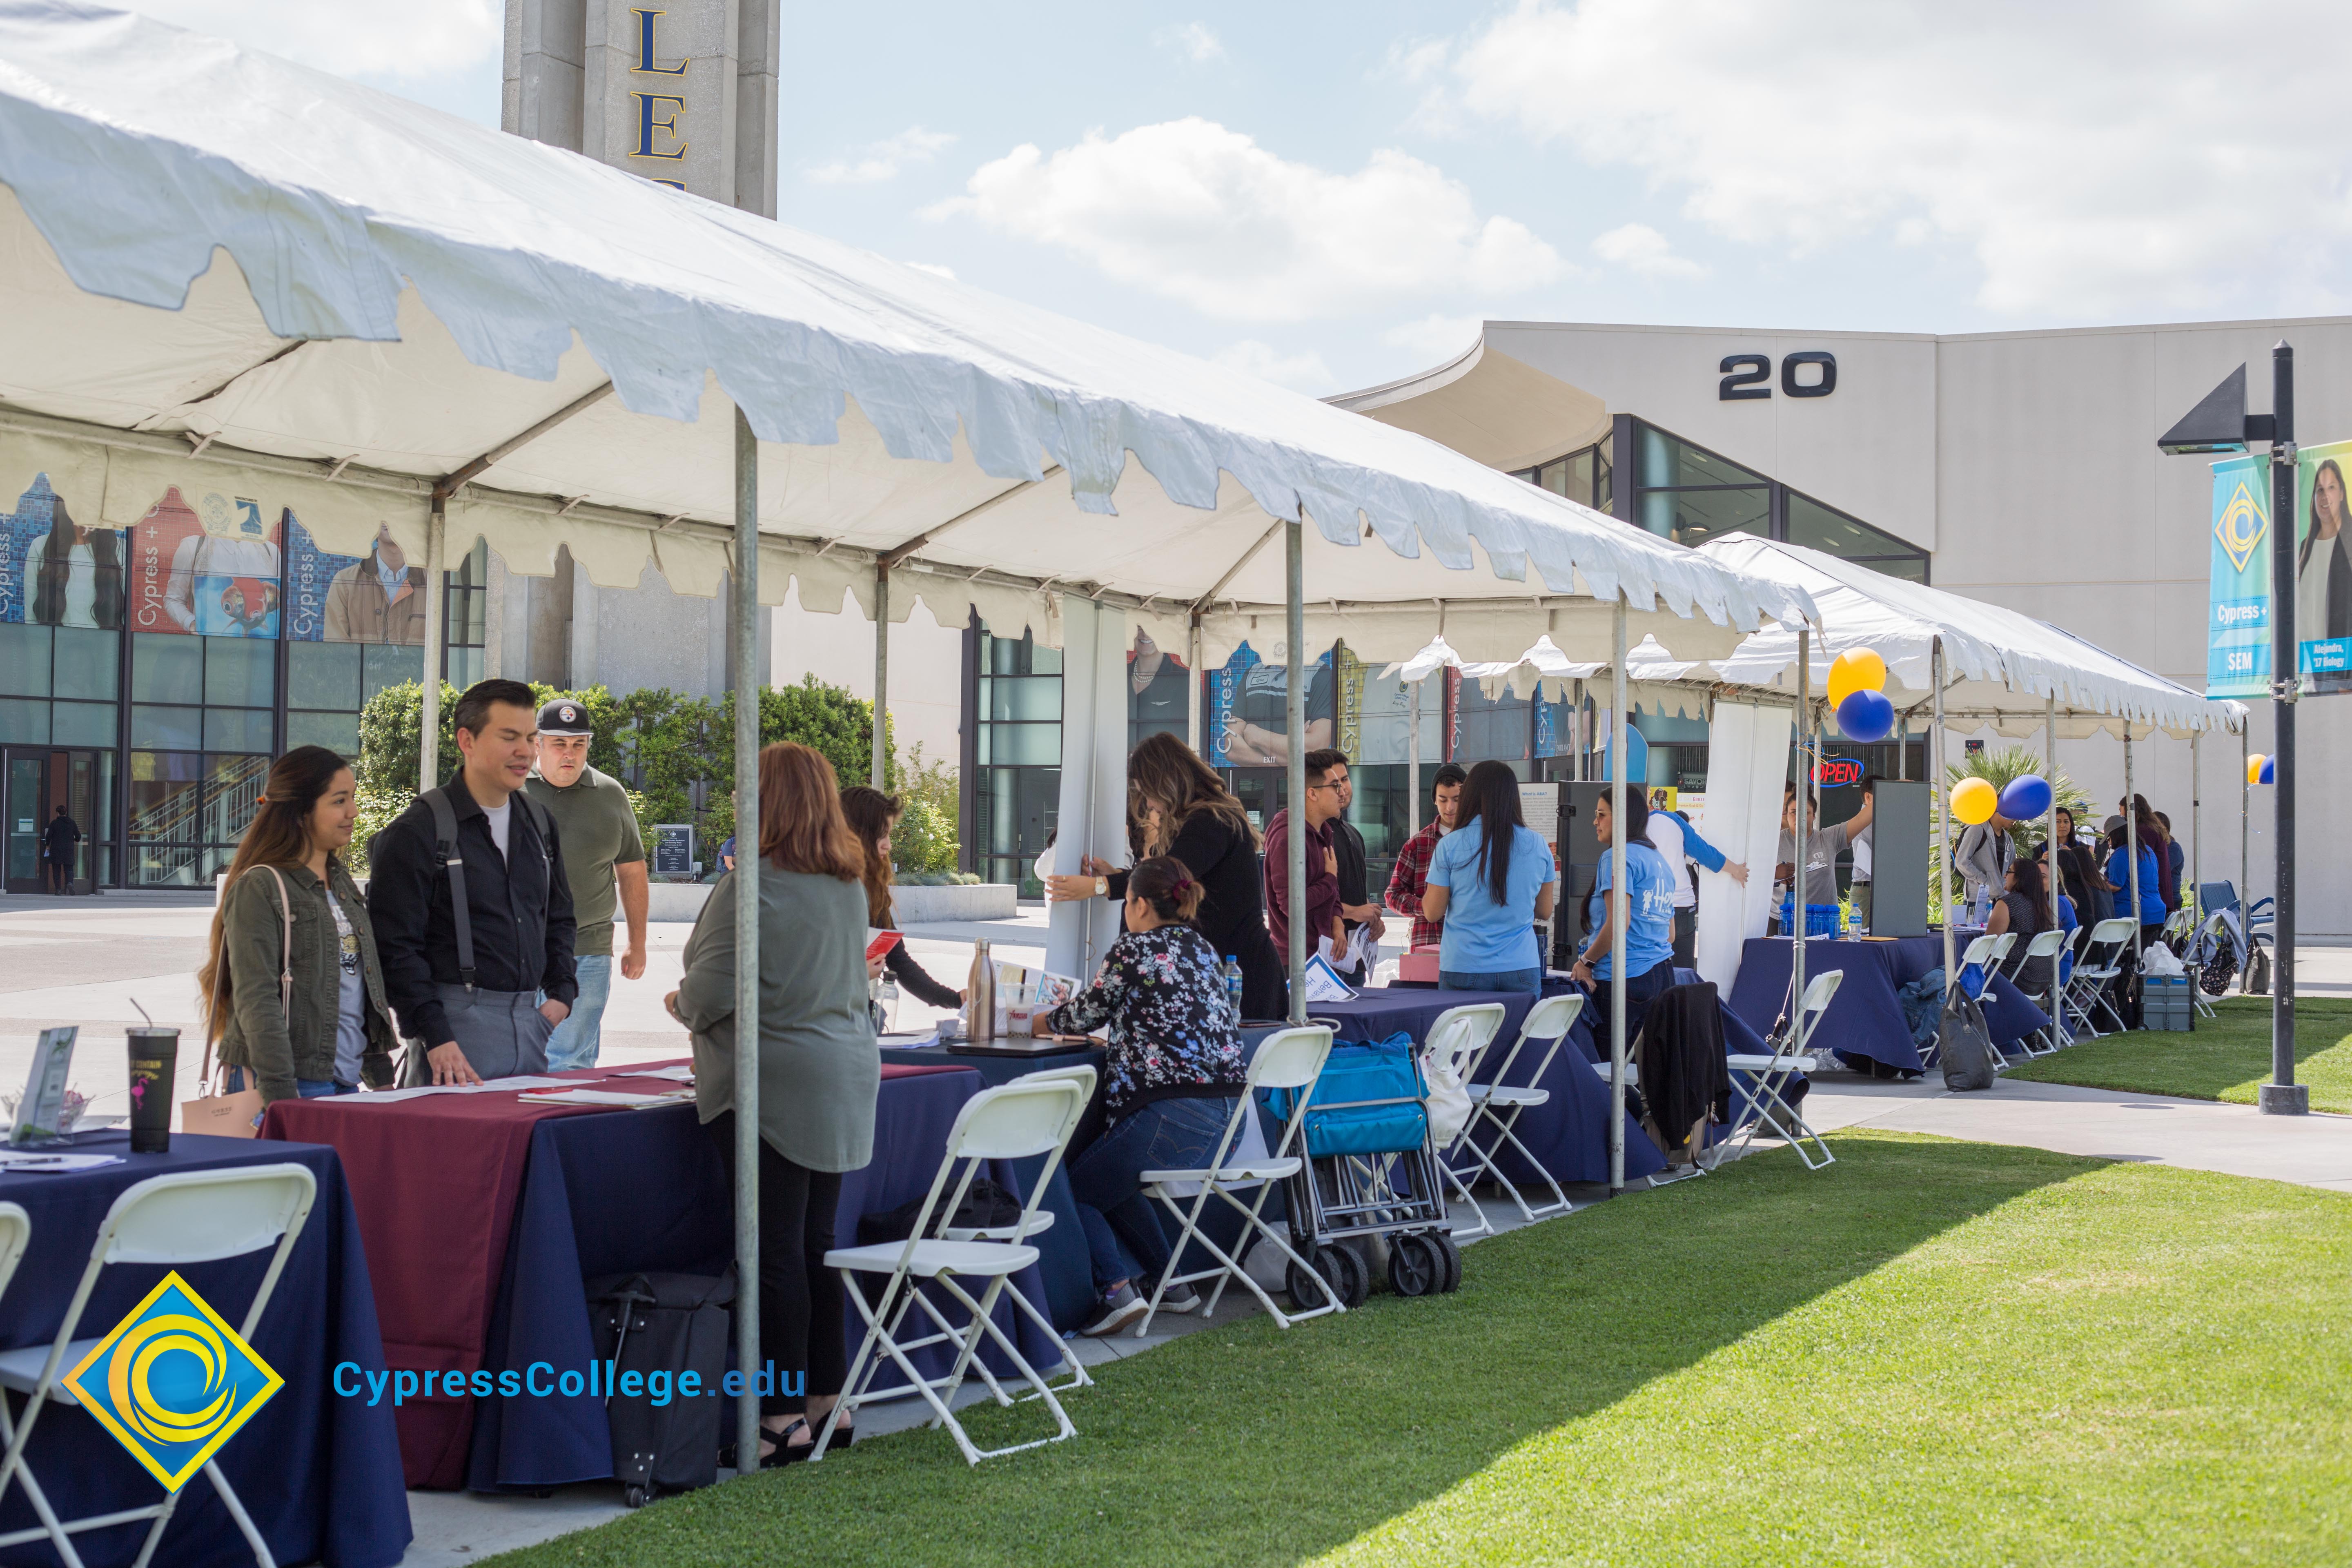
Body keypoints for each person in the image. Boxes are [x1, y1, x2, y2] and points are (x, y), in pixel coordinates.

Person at [670, 741, 877, 1462]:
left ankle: (782, 1413)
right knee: (815, 1247)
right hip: (843, 1076)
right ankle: (828, 1401)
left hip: (775, 1086)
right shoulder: (848, 883)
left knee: (775, 1255)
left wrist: (679, 1001)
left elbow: (706, 992)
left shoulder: (752, 884)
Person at [1041, 855, 1247, 1336]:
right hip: (1228, 1122)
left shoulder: (1133, 949)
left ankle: (1116, 1291)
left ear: (1135, 904)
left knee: (1077, 1191)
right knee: (1114, 1180)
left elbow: (1082, 1016)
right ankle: (1173, 1284)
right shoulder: (1202, 947)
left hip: (1169, 1114)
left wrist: (1035, 1021)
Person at [369, 679, 576, 1085]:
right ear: (467, 740)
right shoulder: (420, 830)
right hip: (452, 1041)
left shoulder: (538, 822)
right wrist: (435, 1034)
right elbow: (395, 946)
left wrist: (562, 994)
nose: (526, 751)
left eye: (531, 738)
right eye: (509, 737)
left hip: (531, 1026)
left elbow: (560, 916)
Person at [198, 746, 396, 1106]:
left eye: (352, 798)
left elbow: (360, 992)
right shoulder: (260, 887)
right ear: (301, 812)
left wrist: (381, 1078)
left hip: (345, 1081)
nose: (353, 811)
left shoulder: (342, 884)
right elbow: (256, 1000)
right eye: (339, 801)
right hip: (285, 1084)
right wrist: (282, 1096)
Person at [1045, 734, 1284, 1018]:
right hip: (1224, 972)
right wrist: (1118, 878)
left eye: (1147, 793)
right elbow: (1171, 872)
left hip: (1241, 979)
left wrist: (1100, 885)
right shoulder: (1208, 818)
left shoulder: (1210, 821)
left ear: (1166, 783)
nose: (1149, 805)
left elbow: (1168, 873)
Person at [525, 698, 648, 1071]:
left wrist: (637, 944)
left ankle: (560, 1131)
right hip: (515, 951)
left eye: (579, 744)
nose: (570, 754)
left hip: (587, 951)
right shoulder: (510, 790)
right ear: (537, 744)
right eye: (559, 744)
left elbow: (632, 871)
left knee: (569, 1062)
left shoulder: (610, 795)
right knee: (513, 1060)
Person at [1422, 760, 1559, 995]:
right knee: (1520, 1033)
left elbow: (1432, 912)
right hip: (1522, 966)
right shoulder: (1538, 845)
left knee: (1464, 1032)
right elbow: (1545, 911)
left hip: (1463, 967)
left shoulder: (1449, 845)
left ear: (1470, 795)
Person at [840, 784, 966, 1013]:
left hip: (856, 1020)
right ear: (857, 834)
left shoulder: (871, 889)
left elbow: (899, 961)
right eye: (881, 835)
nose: (888, 845)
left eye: (889, 834)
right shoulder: (824, 891)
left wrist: (955, 999)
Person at [1568, 788, 1676, 1045]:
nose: (1595, 821)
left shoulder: (1616, 857)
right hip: (1662, 976)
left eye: (1601, 814)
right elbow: (1670, 934)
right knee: (1642, 1073)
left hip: (1623, 978)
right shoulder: (1659, 861)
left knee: (1608, 1071)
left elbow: (1618, 924)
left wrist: (1586, 962)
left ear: (1622, 817)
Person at [1259, 753, 1348, 974]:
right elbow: (1292, 906)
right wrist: (1329, 879)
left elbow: (1333, 891)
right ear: (1312, 794)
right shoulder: (1288, 838)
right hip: (1296, 961)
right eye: (1335, 786)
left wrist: (1338, 924)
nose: (1342, 792)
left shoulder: (1325, 831)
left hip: (1324, 955)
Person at [1304, 748, 1385, 979]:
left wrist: (1373, 917)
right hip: (1327, 955)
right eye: (1335, 783)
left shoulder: (1353, 833)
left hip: (1356, 955)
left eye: (1345, 780)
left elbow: (1354, 889)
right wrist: (1355, 912)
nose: (1342, 789)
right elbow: (1305, 899)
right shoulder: (1314, 835)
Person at [1643, 798, 1747, 967]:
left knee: (1648, 973)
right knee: (1682, 974)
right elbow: (1705, 853)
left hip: (1645, 909)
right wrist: (1737, 870)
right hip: (1680, 907)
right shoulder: (1672, 820)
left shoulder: (1625, 830)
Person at [1384, 762, 1466, 952]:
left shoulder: (1480, 841)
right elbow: (1392, 895)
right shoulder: (1418, 844)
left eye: (1457, 799)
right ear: (1435, 800)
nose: (1450, 807)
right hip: (1428, 942)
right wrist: (1428, 907)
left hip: (1470, 945)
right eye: (1443, 800)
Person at [322, 523, 428, 644]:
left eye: (396, 511)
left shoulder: (435, 586)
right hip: (362, 664)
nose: (389, 520)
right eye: (383, 512)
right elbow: (335, 653)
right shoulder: (344, 583)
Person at [1777, 786, 1875, 918]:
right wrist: (1774, 874)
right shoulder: (1774, 841)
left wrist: (1888, 790)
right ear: (1786, 815)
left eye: (1805, 812)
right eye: (1794, 812)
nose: (1799, 817)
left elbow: (1860, 820)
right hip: (1783, 918)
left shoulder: (1828, 838)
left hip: (1824, 919)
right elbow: (1751, 870)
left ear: (1814, 816)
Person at [27, 497, 120, 630]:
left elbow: (127, 616)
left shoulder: (120, 549)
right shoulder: (41, 546)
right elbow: (30, 616)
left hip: (103, 646)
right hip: (55, 645)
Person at [1986, 857, 2059, 1002]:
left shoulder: (2007, 903)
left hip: (2017, 977)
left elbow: (1989, 945)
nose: (2005, 876)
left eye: (2009, 872)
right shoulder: (2042, 905)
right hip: (2043, 980)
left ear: (2020, 877)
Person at [2105, 824, 2165, 948]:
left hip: (2135, 914)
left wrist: (2096, 886)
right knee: (2146, 960)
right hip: (2156, 912)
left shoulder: (2121, 854)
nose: (2109, 843)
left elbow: (2116, 886)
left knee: (2129, 960)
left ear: (2115, 836)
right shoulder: (2148, 850)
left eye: (2108, 839)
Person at [1952, 799, 2013, 917]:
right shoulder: (1977, 829)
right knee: (1979, 934)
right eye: (2012, 813)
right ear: (1998, 810)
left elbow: (2012, 866)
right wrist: (1985, 882)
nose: (2016, 818)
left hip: (2002, 899)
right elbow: (1961, 861)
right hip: (1977, 900)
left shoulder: (2008, 838)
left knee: (1999, 934)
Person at [2119, 794, 2177, 914]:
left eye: (2121, 810)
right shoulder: (2152, 827)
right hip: (2159, 894)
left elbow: (2142, 861)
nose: (2121, 815)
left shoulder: (2144, 830)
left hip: (2151, 896)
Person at [40, 805, 80, 895]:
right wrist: (73, 839)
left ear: (58, 813)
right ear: (66, 813)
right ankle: (70, 883)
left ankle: (58, 890)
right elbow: (78, 837)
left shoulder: (54, 823)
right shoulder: (72, 823)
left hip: (56, 849)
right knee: (69, 869)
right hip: (69, 849)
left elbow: (48, 836)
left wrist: (47, 845)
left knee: (56, 870)